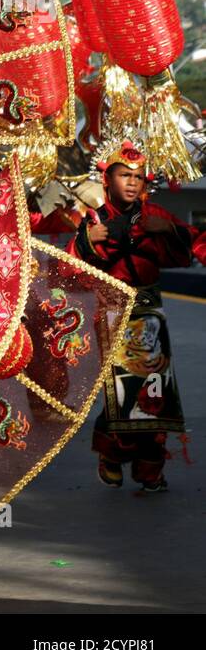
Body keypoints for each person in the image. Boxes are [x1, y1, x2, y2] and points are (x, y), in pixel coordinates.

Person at [69, 140, 194, 493]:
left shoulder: (156, 217)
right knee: (122, 391)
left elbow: (187, 251)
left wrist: (168, 231)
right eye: (124, 175)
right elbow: (71, 273)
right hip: (111, 312)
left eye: (138, 176)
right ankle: (111, 454)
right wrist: (87, 243)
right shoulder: (93, 220)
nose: (132, 182)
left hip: (151, 314)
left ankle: (150, 468)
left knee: (155, 390)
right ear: (106, 178)